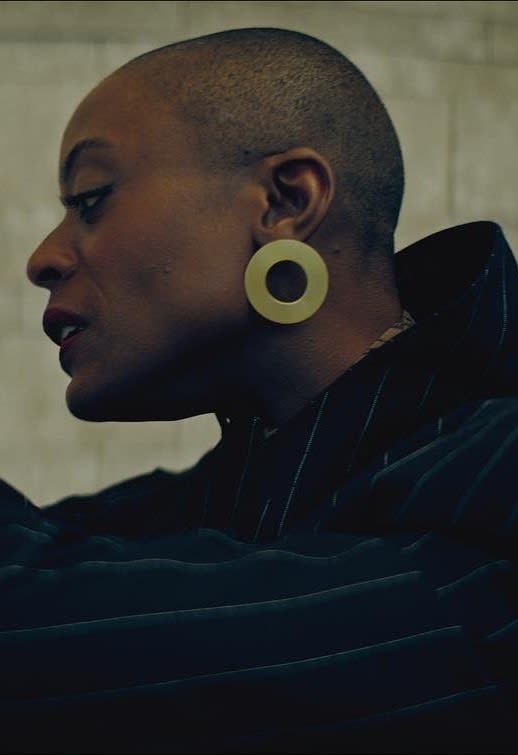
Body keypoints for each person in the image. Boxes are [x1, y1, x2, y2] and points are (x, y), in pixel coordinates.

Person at [0, 27, 517, 753]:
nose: (42, 258)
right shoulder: (217, 495)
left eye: (91, 198)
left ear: (285, 202)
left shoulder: (491, 493)